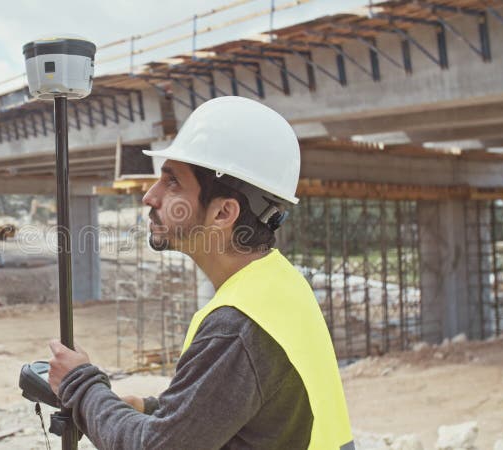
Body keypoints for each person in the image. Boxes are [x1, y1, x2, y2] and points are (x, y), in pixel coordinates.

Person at [47, 97, 355, 449]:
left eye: (172, 182)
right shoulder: (278, 285)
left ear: (223, 213)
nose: (150, 196)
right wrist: (153, 408)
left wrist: (80, 384)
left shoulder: (236, 327)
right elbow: (242, 406)